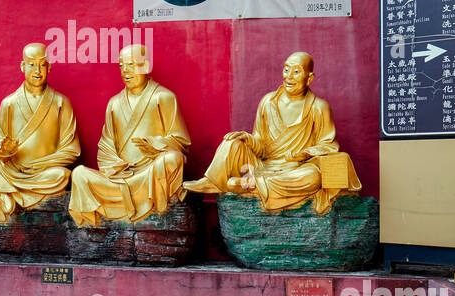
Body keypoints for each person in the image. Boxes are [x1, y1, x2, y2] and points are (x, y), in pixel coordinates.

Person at [185, 52, 360, 214]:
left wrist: (304, 153)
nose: (288, 76)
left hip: (295, 169)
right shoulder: (268, 102)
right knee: (232, 141)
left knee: (313, 177)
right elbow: (261, 145)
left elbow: (328, 145)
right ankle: (213, 181)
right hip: (264, 166)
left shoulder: (319, 108)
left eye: (296, 71)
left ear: (309, 78)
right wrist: (248, 139)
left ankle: (251, 186)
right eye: (286, 69)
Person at [68, 45, 190, 226]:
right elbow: (106, 145)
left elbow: (181, 140)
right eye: (122, 66)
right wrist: (115, 166)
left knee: (173, 158)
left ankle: (139, 198)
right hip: (120, 175)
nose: (126, 71)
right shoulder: (114, 104)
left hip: (149, 173)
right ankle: (122, 200)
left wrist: (155, 145)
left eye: (132, 65)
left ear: (146, 67)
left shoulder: (164, 97)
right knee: (79, 174)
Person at [0, 43, 81, 223]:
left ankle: (4, 193)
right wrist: (3, 148)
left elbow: (72, 150)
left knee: (63, 176)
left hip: (42, 173)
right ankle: (1, 191)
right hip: (11, 170)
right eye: (31, 64)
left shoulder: (61, 103)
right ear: (22, 66)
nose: (37, 70)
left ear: (49, 67)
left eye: (42, 64)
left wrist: (38, 164)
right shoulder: (9, 103)